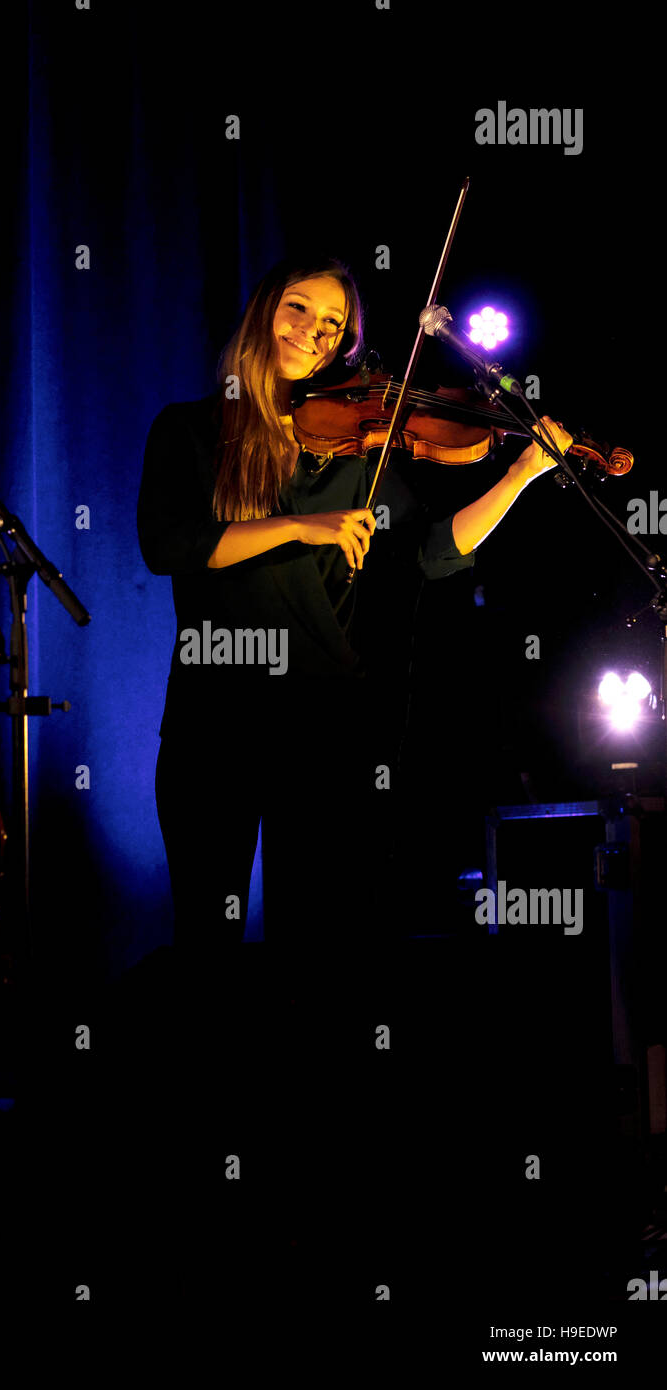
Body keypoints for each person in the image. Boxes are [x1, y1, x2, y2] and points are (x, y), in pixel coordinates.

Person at [137, 255, 570, 979]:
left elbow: (435, 550)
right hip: (215, 723)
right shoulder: (190, 430)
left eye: (332, 324)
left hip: (322, 729)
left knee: (320, 952)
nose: (313, 332)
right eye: (298, 308)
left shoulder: (359, 445)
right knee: (206, 950)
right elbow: (170, 546)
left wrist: (520, 475)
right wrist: (305, 527)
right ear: (263, 311)